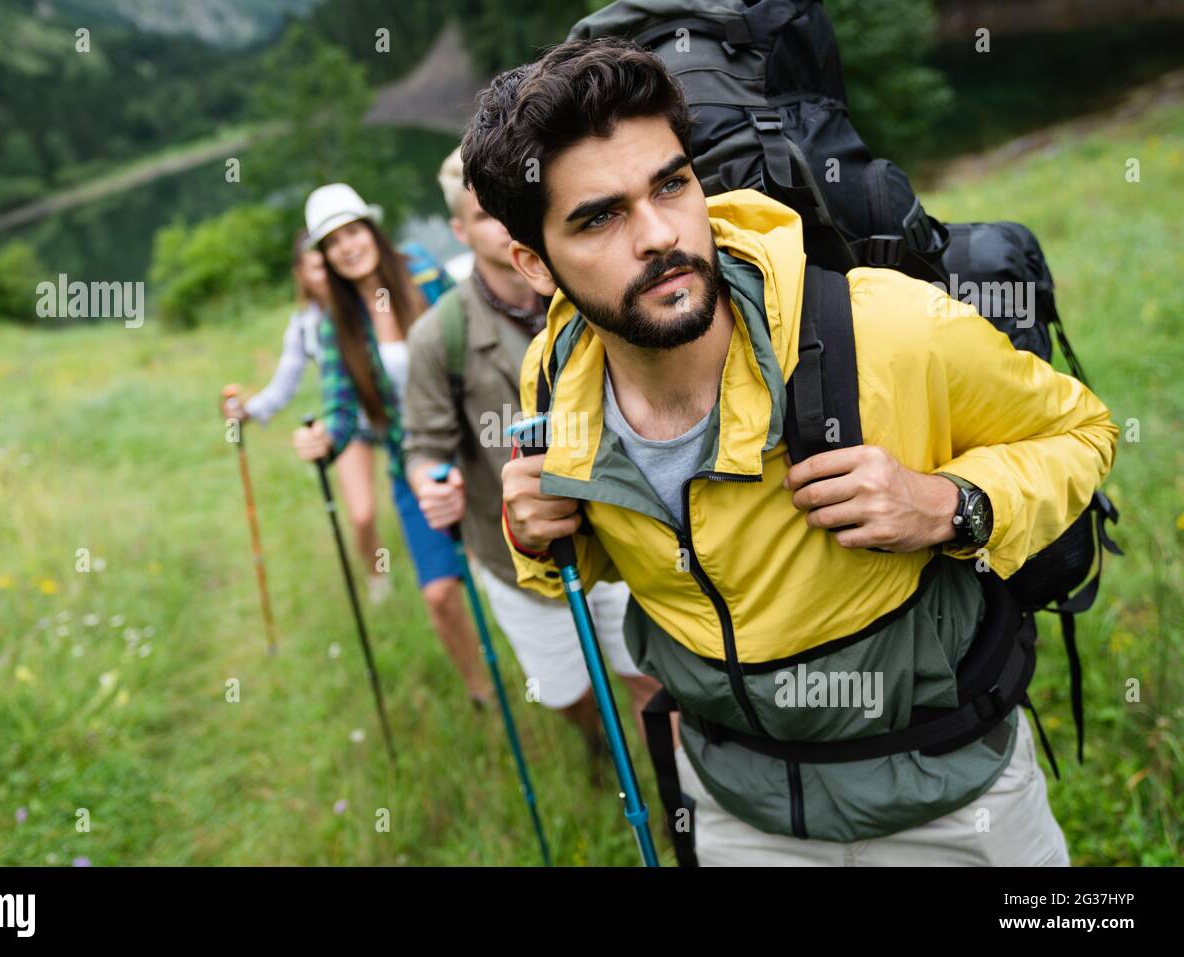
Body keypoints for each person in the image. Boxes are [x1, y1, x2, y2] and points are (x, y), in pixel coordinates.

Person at [464, 39, 1118, 865]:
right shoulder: (555, 379)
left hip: (952, 797)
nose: (660, 234)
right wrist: (532, 533)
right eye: (599, 217)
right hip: (735, 804)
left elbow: (1081, 430)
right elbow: (609, 550)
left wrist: (950, 503)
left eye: (671, 183)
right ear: (533, 263)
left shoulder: (885, 329)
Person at [401, 147, 662, 758]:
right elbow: (423, 446)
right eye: (485, 216)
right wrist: (429, 483)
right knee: (565, 690)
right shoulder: (440, 336)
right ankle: (595, 743)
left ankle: (676, 791)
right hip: (517, 563)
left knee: (649, 676)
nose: (505, 223)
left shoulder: (596, 288)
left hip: (625, 538)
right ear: (459, 232)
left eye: (512, 208)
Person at [290, 183, 490, 708]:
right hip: (413, 463)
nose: (348, 247)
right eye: (334, 243)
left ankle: (561, 678)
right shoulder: (338, 322)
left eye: (354, 231)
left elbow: (472, 325)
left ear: (371, 230)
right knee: (440, 593)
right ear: (326, 257)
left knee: (513, 572)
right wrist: (323, 439)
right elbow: (338, 404)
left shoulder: (421, 268)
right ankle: (481, 691)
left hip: (475, 445)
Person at [221, 230, 395, 606]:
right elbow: (285, 380)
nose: (326, 271)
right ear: (300, 273)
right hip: (351, 423)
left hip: (397, 413)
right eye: (315, 267)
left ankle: (474, 559)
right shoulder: (304, 325)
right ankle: (378, 577)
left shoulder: (373, 297)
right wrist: (249, 411)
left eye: (325, 263)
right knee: (362, 513)